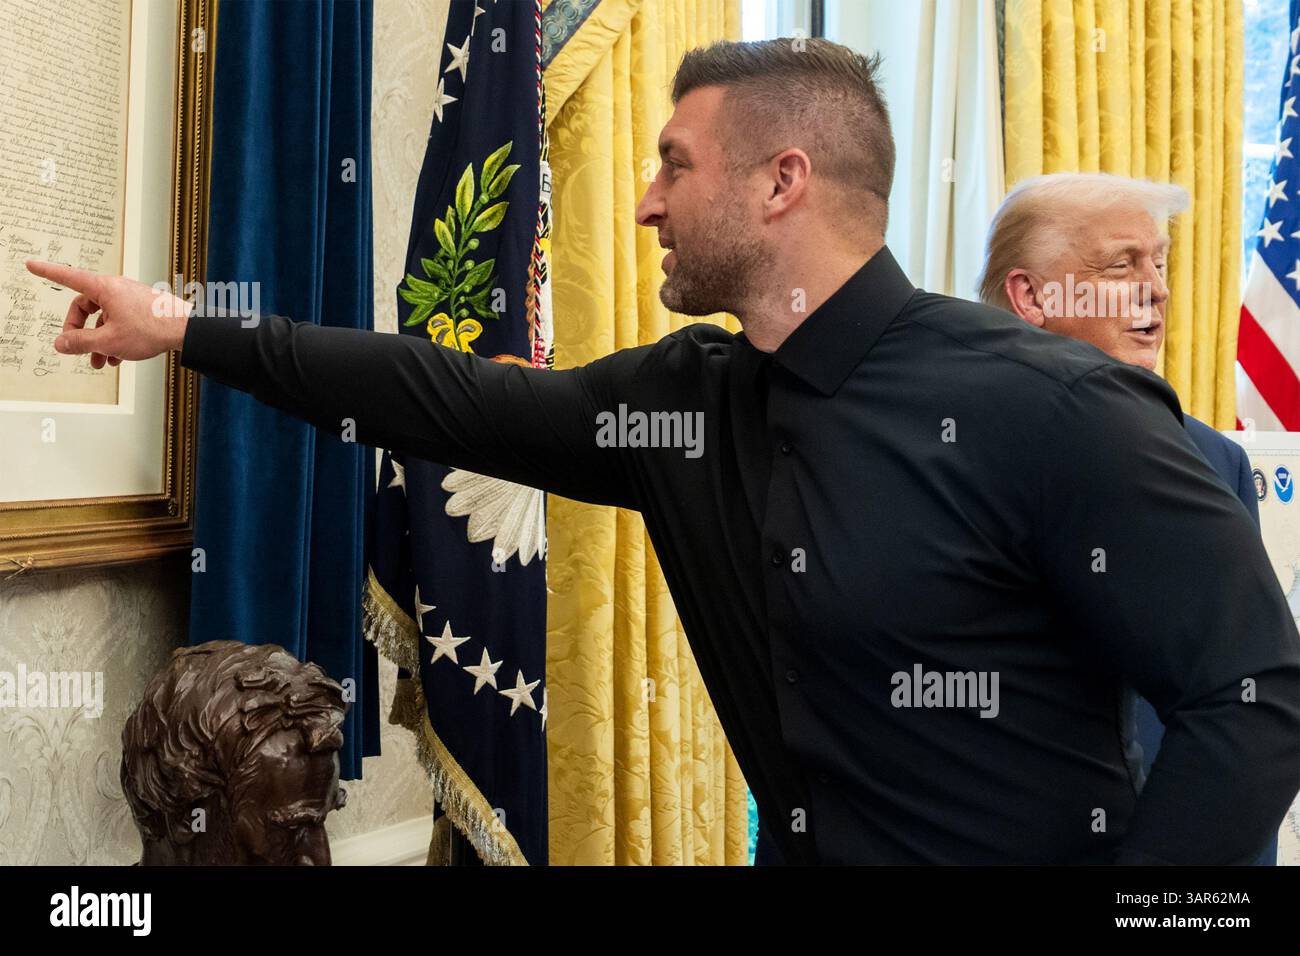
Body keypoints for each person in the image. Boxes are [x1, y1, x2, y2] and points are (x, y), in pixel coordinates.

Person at [26, 38, 1300, 864]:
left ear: (779, 182)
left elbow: (1253, 697)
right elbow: (446, 395)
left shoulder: (1055, 408)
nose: (642, 199)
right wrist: (184, 324)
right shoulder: (685, 406)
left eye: (671, 164)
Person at [976, 171, 1277, 864]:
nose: (1159, 287)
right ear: (1031, 296)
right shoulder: (944, 443)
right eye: (1122, 264)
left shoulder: (1214, 460)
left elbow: (1247, 700)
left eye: (1161, 262)